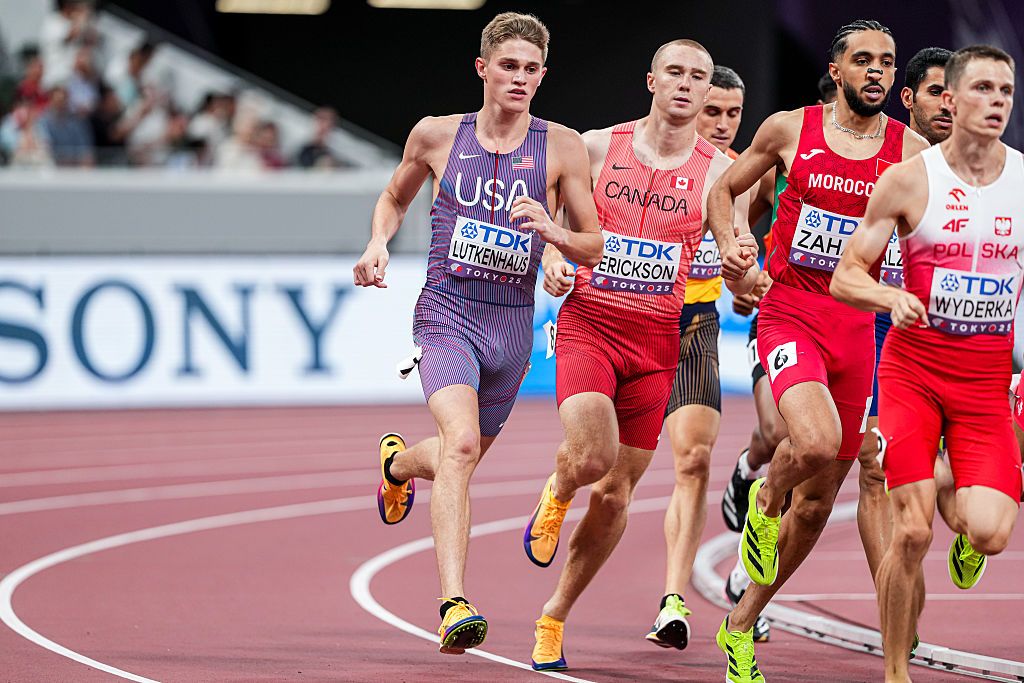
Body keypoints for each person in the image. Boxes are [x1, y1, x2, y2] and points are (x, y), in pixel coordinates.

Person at [353, 12, 602, 655]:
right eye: (509, 66)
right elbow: (394, 196)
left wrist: (552, 237)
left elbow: (593, 245)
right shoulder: (436, 136)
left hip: (513, 327)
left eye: (531, 70)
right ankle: (454, 603)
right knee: (461, 446)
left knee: (455, 458)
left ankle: (397, 465)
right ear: (482, 69)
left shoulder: (562, 146)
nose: (519, 79)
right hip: (447, 313)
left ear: (543, 76)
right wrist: (379, 241)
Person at [523, 40, 758, 671]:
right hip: (590, 325)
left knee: (618, 495)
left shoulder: (720, 172)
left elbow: (739, 250)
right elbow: (552, 210)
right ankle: (559, 483)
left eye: (698, 78)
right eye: (675, 73)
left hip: (660, 343)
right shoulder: (597, 146)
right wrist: (551, 253)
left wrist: (744, 267)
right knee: (592, 457)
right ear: (650, 79)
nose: (686, 85)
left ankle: (554, 616)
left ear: (710, 91)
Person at [708, 19, 929, 682]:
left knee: (819, 500)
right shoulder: (787, 129)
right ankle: (763, 499)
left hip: (856, 330)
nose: (877, 73)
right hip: (791, 312)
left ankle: (739, 624)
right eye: (863, 60)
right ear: (835, 70)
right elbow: (722, 191)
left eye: (887, 63)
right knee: (811, 441)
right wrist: (730, 246)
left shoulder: (910, 151)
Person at [831, 44, 1022, 683]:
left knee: (991, 532)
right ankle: (894, 671)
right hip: (913, 373)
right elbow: (846, 277)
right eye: (984, 90)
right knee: (909, 533)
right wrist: (890, 294)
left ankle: (946, 483)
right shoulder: (910, 180)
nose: (997, 102)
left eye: (1006, 91)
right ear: (953, 98)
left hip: (985, 383)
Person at [645, 64, 768, 649]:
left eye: (732, 113)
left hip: (695, 325)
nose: (720, 124)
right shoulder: (644, 156)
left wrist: (749, 282)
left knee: (695, 458)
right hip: (630, 323)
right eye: (710, 110)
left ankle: (681, 599)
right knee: (603, 474)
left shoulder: (745, 175)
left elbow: (747, 252)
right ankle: (561, 489)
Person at [856, 46, 953, 603]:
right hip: (878, 327)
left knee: (958, 476)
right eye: (935, 92)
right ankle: (894, 603)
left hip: (957, 334)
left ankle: (964, 519)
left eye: (953, 93)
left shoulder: (990, 170)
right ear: (909, 97)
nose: (947, 104)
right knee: (874, 467)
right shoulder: (880, 160)